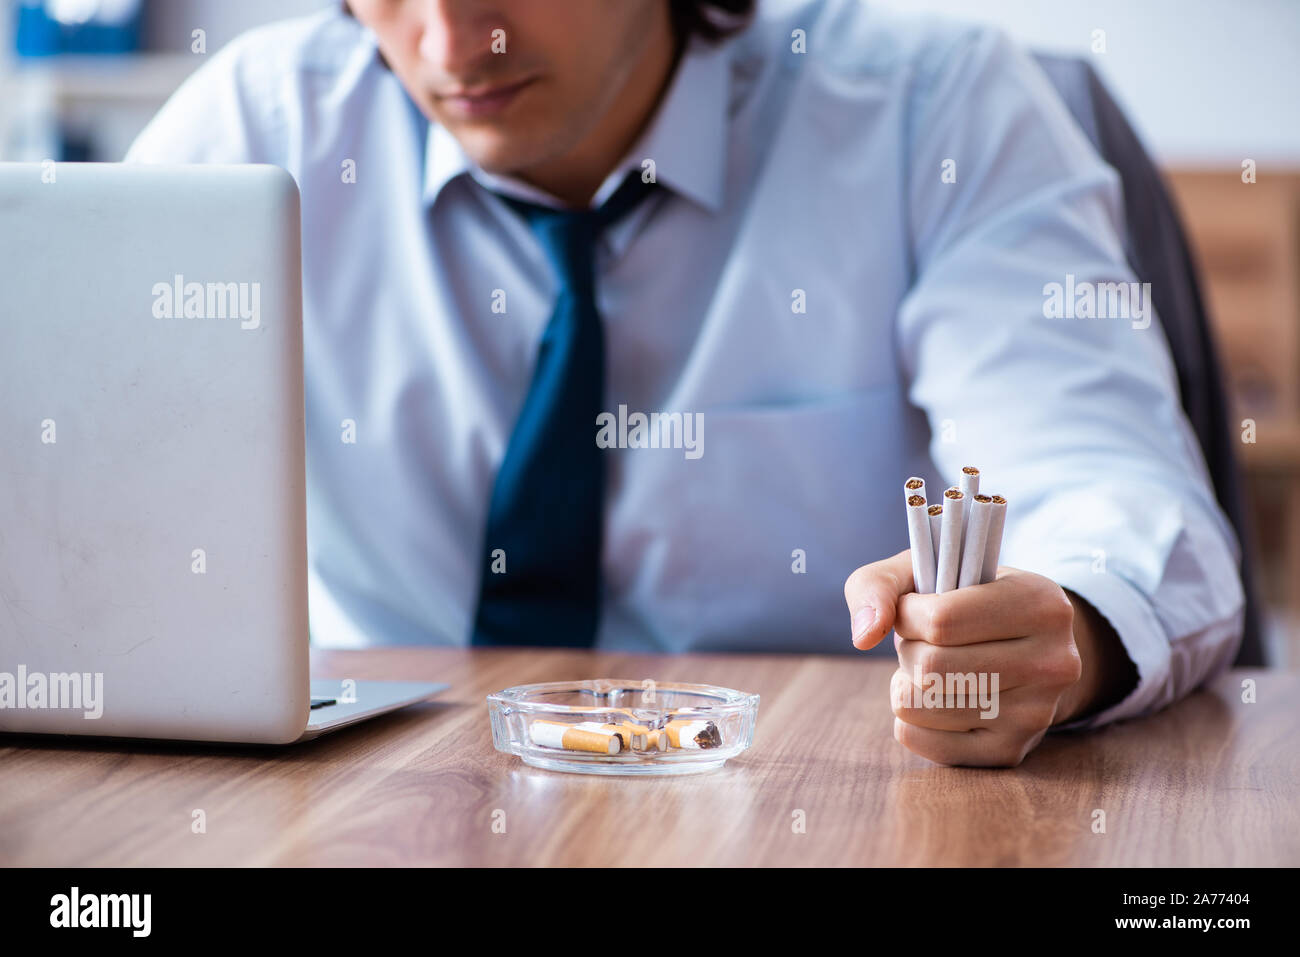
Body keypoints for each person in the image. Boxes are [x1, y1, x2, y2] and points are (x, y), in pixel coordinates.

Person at [126, 0, 1244, 766]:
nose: (454, 42)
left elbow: (1108, 484)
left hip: (815, 800)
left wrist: (1066, 630)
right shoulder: (253, 131)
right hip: (386, 792)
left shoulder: (933, 109)